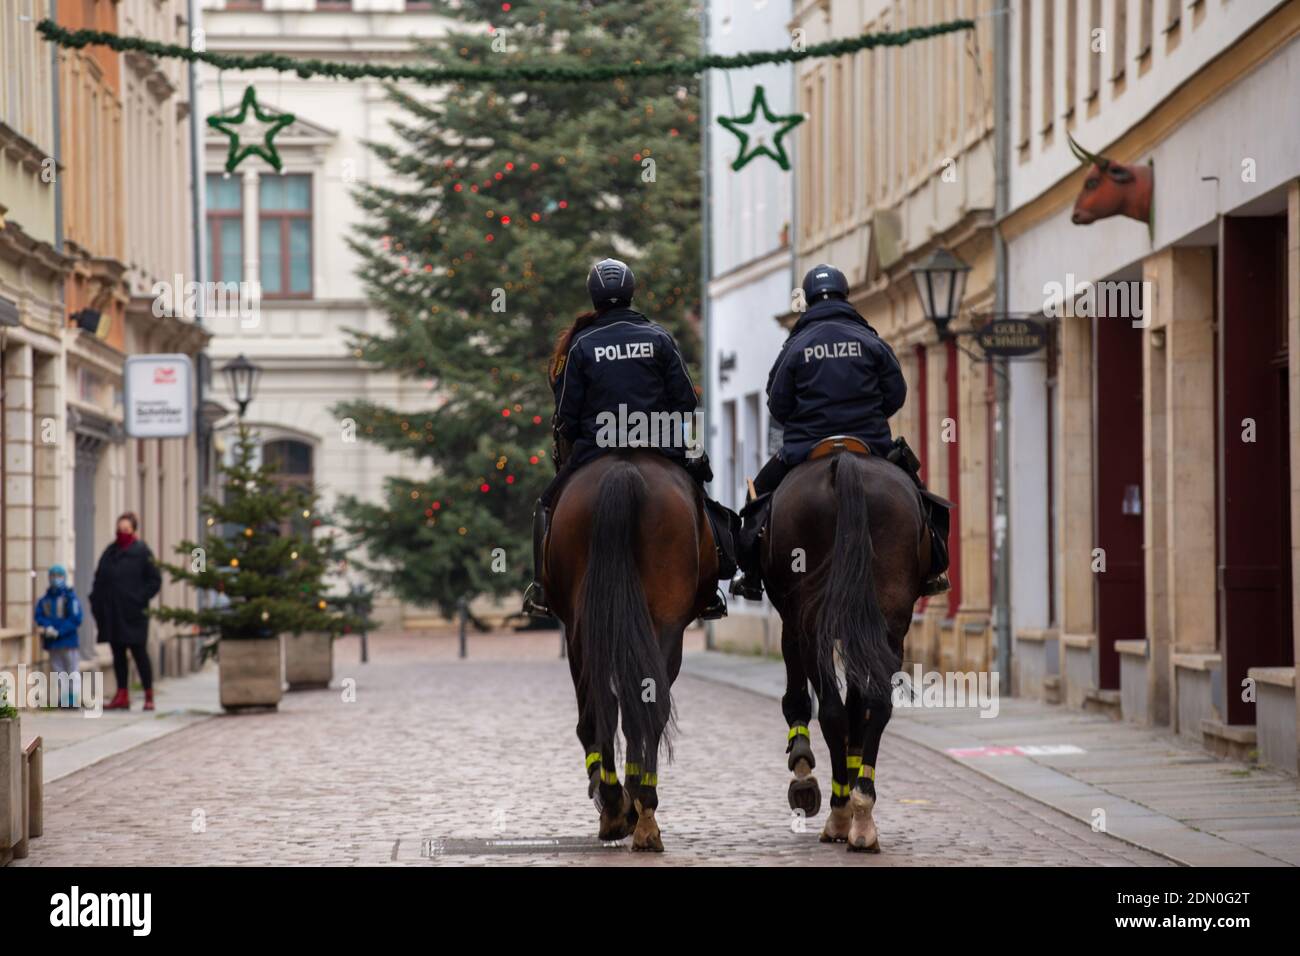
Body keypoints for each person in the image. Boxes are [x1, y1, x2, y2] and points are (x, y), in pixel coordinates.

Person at [521, 257, 735, 619]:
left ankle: (542, 590)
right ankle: (711, 589)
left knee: (545, 506)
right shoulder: (658, 337)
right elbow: (686, 400)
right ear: (631, 291)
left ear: (594, 296)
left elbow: (567, 416)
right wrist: (686, 447)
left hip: (595, 449)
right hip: (658, 443)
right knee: (698, 500)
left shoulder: (581, 345)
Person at [731, 263, 951, 600]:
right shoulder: (870, 341)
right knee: (924, 502)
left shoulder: (795, 346)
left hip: (805, 449)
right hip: (871, 444)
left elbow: (777, 405)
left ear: (807, 301)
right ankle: (934, 569)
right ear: (846, 295)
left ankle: (749, 577)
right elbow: (897, 394)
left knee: (756, 500)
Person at [90, 512, 163, 711]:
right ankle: (122, 694)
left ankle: (149, 695)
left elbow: (155, 580)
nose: (122, 533)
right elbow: (99, 579)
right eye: (119, 529)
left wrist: (139, 598)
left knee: (139, 654)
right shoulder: (110, 552)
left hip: (134, 614)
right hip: (113, 613)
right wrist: (96, 601)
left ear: (133, 530)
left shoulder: (142, 552)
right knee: (118, 654)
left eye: (126, 530)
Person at [35, 564, 83, 708]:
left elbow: (75, 619)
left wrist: (60, 631)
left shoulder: (70, 598)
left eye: (59, 576)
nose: (55, 579)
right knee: (58, 671)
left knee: (72, 671)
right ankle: (64, 699)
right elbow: (39, 616)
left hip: (68, 641)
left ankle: (73, 699)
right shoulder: (45, 600)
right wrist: (47, 627)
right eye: (53, 576)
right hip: (53, 643)